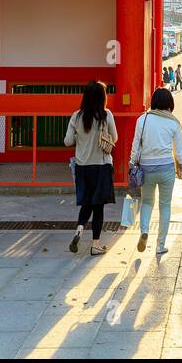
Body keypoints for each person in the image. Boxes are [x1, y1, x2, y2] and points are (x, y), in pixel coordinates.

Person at [128, 88, 182, 256]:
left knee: (147, 202)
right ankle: (160, 245)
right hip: (166, 168)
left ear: (153, 101)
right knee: (165, 205)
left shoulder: (143, 119)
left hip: (146, 169)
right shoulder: (173, 122)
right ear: (170, 103)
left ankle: (144, 231)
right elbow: (179, 150)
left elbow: (135, 146)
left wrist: (132, 164)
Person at [63, 80, 118, 256]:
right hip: (101, 166)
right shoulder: (106, 115)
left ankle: (79, 230)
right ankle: (95, 245)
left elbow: (68, 141)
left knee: (87, 203)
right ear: (102, 97)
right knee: (98, 207)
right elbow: (114, 138)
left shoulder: (77, 116)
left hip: (82, 167)